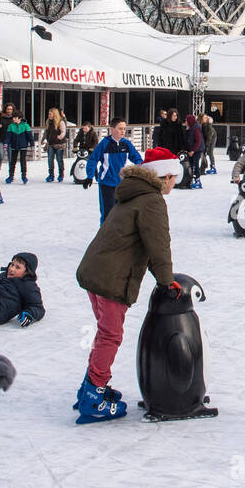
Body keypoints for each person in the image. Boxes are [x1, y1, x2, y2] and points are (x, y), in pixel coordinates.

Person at [74, 147, 182, 423]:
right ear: (165, 176)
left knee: (104, 334)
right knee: (110, 335)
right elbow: (159, 245)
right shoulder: (151, 201)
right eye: (173, 179)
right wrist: (167, 281)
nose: (173, 185)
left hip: (95, 271)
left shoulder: (132, 193)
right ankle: (94, 395)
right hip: (111, 277)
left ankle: (89, 386)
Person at [84, 118, 143, 223]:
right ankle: (105, 237)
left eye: (124, 129)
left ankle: (118, 236)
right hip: (106, 183)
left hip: (121, 184)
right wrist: (90, 176)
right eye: (120, 128)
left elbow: (137, 158)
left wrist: (143, 171)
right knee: (108, 214)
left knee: (121, 213)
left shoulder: (126, 144)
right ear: (112, 129)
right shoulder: (105, 143)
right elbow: (93, 160)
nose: (123, 131)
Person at [5, 111, 32, 184]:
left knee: (23, 161)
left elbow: (29, 136)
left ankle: (24, 176)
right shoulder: (11, 126)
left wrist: (32, 143)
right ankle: (11, 176)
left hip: (23, 146)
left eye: (15, 117)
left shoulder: (26, 126)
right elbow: (8, 136)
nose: (13, 119)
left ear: (19, 118)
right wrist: (6, 143)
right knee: (12, 161)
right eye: (13, 117)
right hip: (14, 146)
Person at [42, 107, 67, 183]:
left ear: (54, 114)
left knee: (59, 160)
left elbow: (63, 131)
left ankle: (61, 175)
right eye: (48, 114)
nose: (49, 115)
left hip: (59, 144)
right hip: (51, 144)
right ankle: (51, 175)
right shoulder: (48, 122)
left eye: (50, 114)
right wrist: (43, 139)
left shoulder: (60, 122)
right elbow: (46, 132)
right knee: (50, 160)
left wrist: (60, 136)